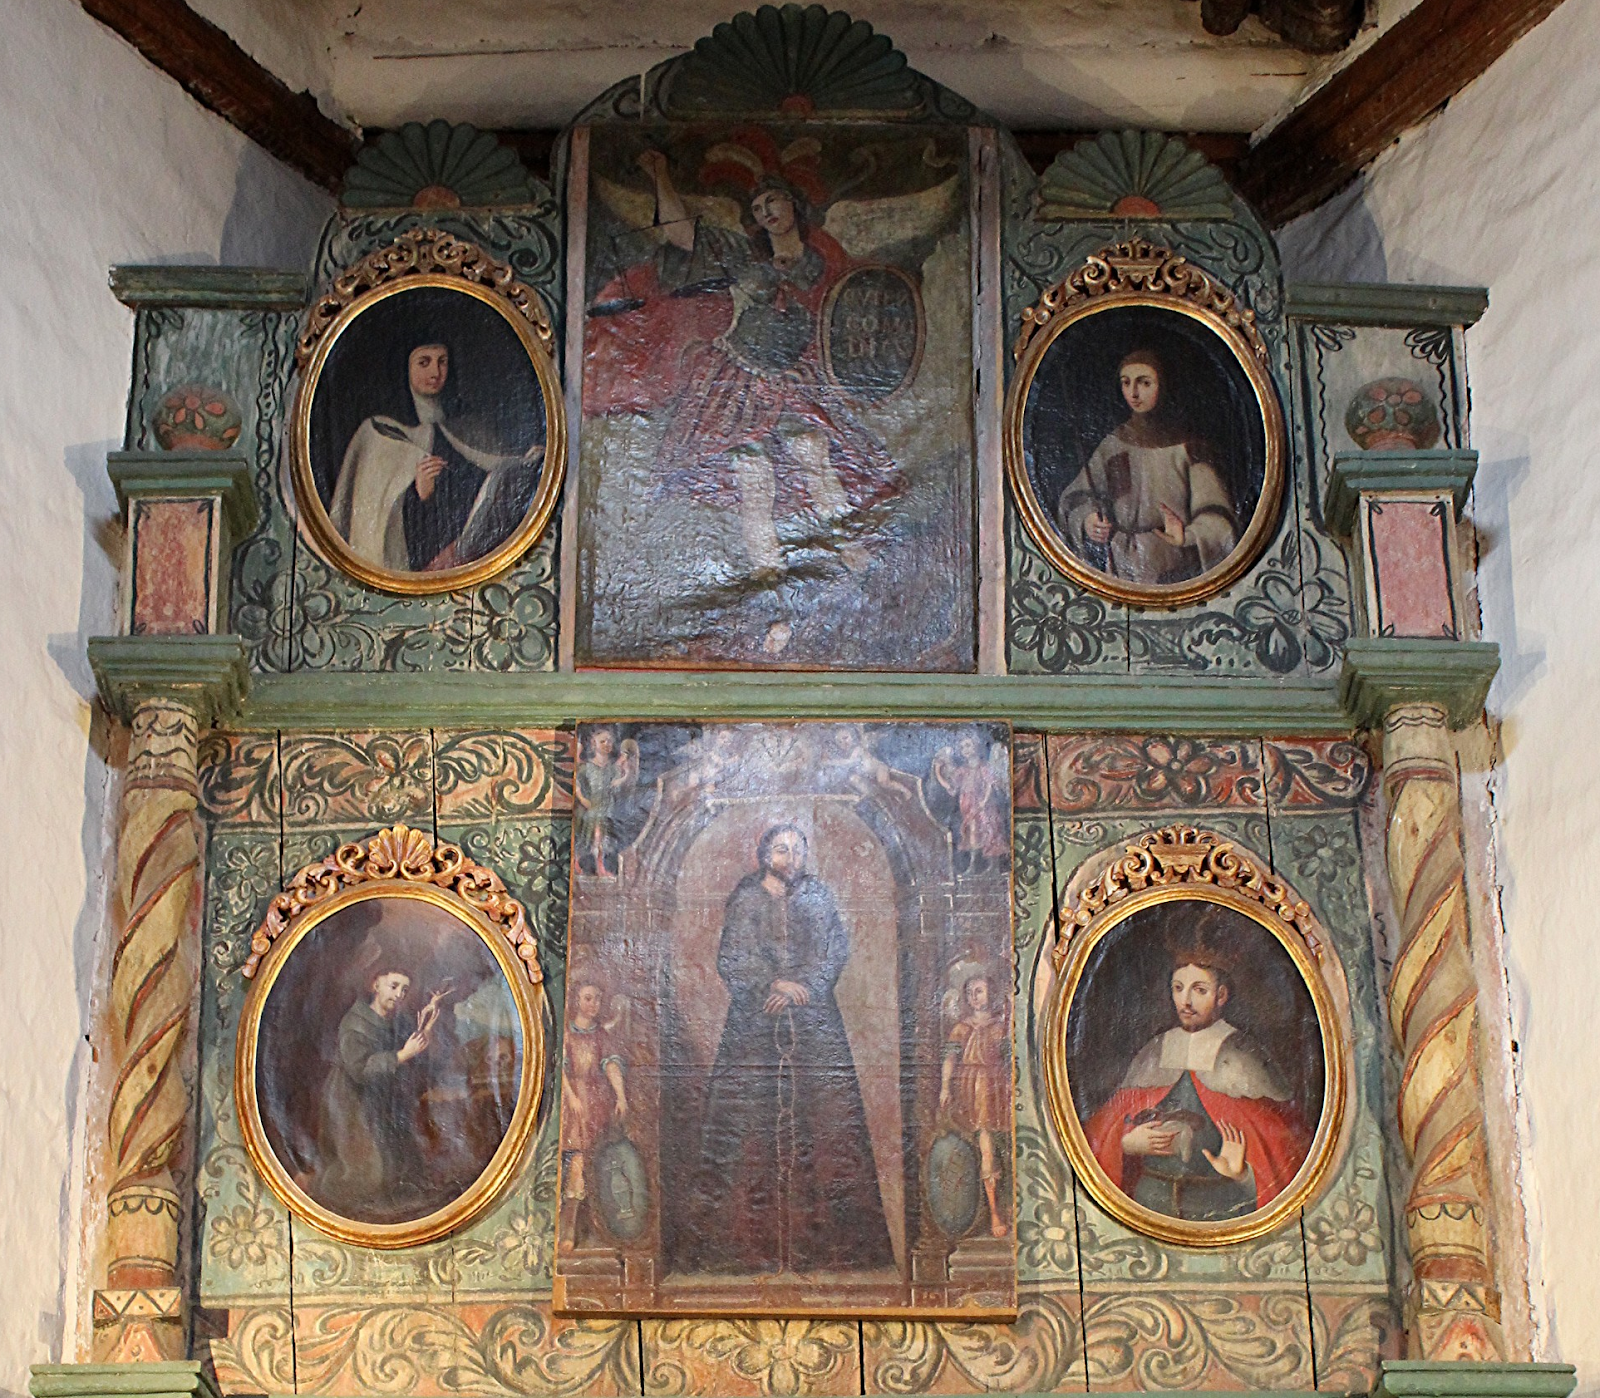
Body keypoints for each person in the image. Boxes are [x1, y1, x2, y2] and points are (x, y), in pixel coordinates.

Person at [588, 137, 904, 580]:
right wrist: (659, 174)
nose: (766, 212)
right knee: (754, 474)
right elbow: (681, 233)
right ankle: (765, 572)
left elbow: (856, 310)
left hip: (794, 375)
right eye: (757, 208)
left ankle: (852, 551)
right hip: (740, 375)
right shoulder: (743, 255)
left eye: (773, 201)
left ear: (794, 204)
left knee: (814, 453)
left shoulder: (823, 259)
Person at [672, 824, 894, 1274]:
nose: (790, 857)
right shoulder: (747, 899)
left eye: (797, 849)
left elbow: (835, 950)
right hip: (753, 1027)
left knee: (828, 1122)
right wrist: (772, 984)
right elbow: (732, 957)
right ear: (763, 854)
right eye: (781, 849)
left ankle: (831, 1252)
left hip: (815, 1025)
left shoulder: (819, 897)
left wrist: (801, 988)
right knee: (744, 1125)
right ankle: (742, 1250)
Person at [1082, 929, 1311, 1221]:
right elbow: (1098, 1134)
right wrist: (1124, 1143)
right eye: (1178, 988)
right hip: (1146, 1206)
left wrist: (1244, 1175)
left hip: (1218, 1210)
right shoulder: (1154, 1050)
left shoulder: (1244, 1055)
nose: (1186, 1001)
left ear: (1221, 995)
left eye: (1199, 990)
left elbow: (1285, 1157)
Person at [328, 332, 544, 574]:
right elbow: (373, 522)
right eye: (424, 362)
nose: (435, 372)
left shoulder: (471, 428)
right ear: (404, 368)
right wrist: (418, 494)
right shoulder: (379, 433)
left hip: (469, 562)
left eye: (442, 361)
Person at [1056, 347, 1237, 585]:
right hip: (1120, 565)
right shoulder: (1113, 444)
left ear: (1164, 386)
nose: (1133, 393)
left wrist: (1186, 536)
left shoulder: (1188, 449)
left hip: (1172, 564)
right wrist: (1089, 519)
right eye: (1126, 382)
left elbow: (1218, 519)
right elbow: (1076, 497)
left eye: (1144, 383)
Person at [313, 967, 443, 1216]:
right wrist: (403, 1054)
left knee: (405, 1157)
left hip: (381, 1098)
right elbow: (360, 1069)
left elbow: (409, 1048)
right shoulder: (355, 1022)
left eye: (404, 989)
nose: (399, 994)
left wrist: (428, 1024)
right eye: (393, 986)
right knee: (370, 1169)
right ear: (376, 985)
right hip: (352, 1102)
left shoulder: (393, 1020)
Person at [940, 973, 1010, 1238]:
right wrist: (945, 1087)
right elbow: (950, 1059)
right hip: (972, 1086)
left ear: (990, 993)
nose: (974, 997)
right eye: (970, 993)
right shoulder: (961, 1028)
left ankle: (1006, 1207)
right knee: (985, 1145)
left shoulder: (1000, 1026)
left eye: (979, 991)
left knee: (1001, 1144)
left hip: (996, 1086)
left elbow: (1009, 1060)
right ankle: (993, 1213)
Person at [561, 980, 629, 1211]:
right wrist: (570, 1097)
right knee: (576, 1155)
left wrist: (621, 1096)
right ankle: (569, 1216)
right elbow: (559, 1067)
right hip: (574, 1102)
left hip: (596, 1101)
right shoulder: (567, 1033)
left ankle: (593, 1215)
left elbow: (610, 1065)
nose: (593, 1004)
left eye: (597, 999)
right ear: (576, 1001)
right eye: (588, 998)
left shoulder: (601, 1035)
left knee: (595, 1154)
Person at [932, 734, 1009, 873]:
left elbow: (989, 784)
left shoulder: (983, 767)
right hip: (968, 807)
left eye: (968, 745)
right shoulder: (963, 770)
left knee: (989, 832)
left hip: (984, 807)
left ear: (977, 747)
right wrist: (939, 772)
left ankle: (993, 865)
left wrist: (983, 802)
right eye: (962, 747)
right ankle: (973, 864)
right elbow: (953, 789)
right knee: (972, 833)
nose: (965, 750)